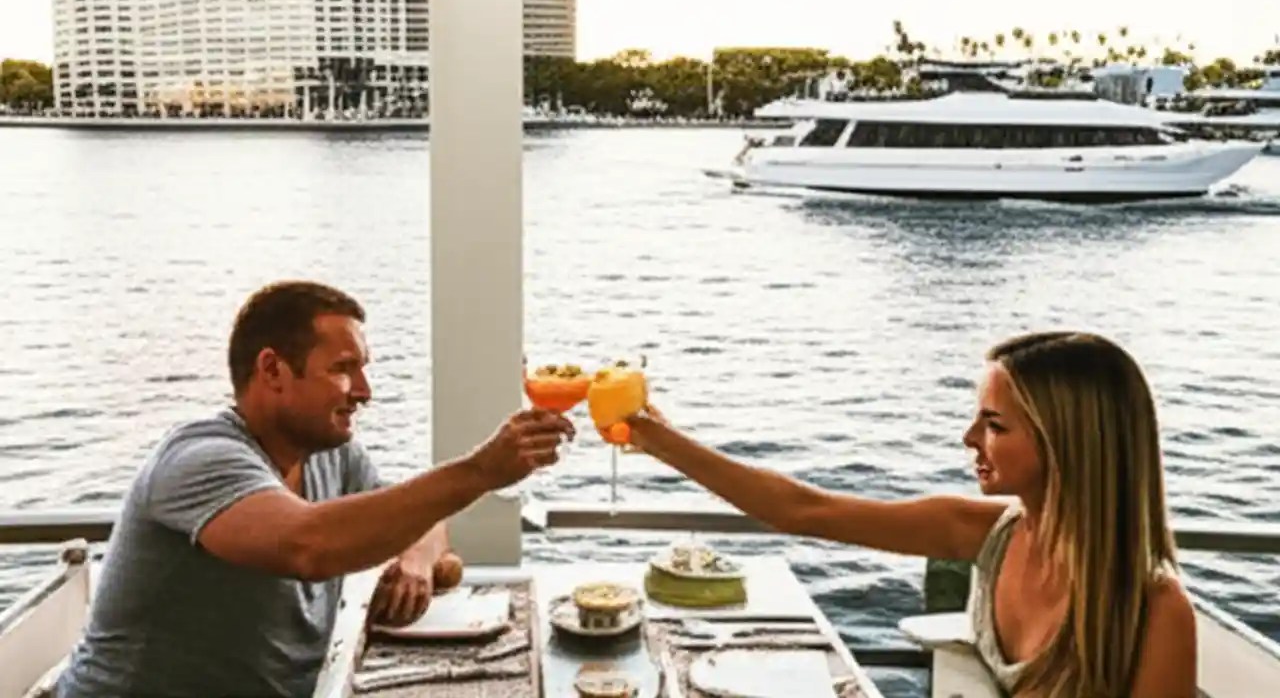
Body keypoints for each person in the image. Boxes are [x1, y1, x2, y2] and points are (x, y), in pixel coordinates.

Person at [57, 281, 574, 698]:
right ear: (272, 370)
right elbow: (308, 545)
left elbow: (422, 518)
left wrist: (415, 562)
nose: (365, 393)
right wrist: (482, 470)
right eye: (344, 370)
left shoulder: (332, 455)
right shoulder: (200, 460)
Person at [625, 331, 1196, 698]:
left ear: (1070, 443)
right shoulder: (989, 533)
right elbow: (800, 509)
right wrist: (656, 438)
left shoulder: (1153, 608)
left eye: (995, 426)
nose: (970, 437)